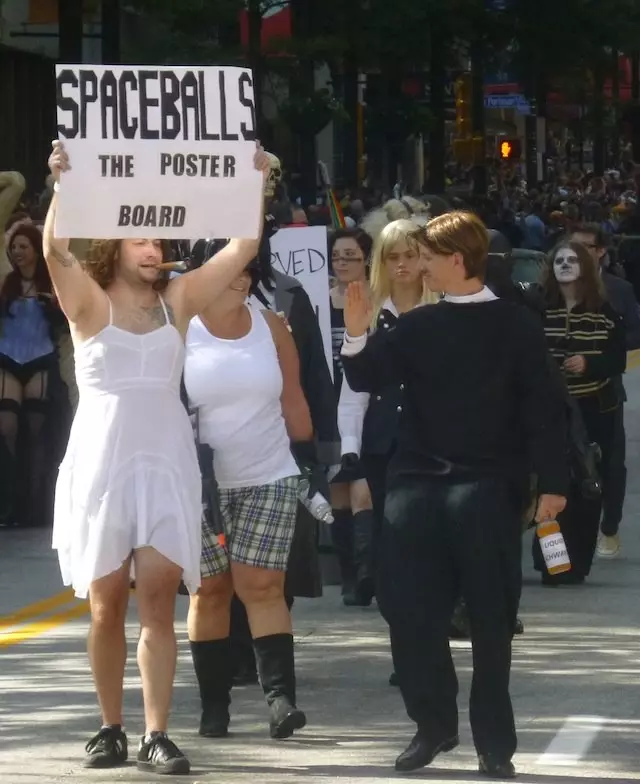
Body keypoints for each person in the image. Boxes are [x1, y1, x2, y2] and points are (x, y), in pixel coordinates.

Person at [43, 139, 270, 775]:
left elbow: (242, 249)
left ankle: (157, 733)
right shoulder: (88, 301)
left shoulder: (179, 302)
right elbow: (54, 251)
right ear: (113, 245)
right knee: (107, 601)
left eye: (158, 241)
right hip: (103, 463)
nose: (153, 250)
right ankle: (110, 726)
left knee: (161, 603)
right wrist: (60, 184)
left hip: (165, 462)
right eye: (139, 240)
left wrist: (253, 183)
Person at [341, 211, 568, 777]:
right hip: (415, 485)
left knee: (491, 621)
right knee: (409, 612)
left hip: (486, 486)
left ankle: (495, 743)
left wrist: (554, 486)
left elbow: (544, 411)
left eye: (426, 256)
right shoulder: (418, 326)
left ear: (457, 261)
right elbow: (369, 376)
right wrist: (355, 330)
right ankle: (433, 724)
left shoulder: (517, 326)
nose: (417, 266)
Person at [184, 259, 313, 740]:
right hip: (198, 484)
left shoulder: (272, 326)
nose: (240, 280)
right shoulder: (179, 327)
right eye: (228, 270)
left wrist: (312, 457)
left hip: (269, 473)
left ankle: (281, 700)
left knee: (262, 587)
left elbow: (294, 400)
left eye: (247, 271)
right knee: (210, 591)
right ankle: (214, 708)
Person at [540, 241, 626, 582]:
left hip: (593, 411)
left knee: (588, 486)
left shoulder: (604, 311)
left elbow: (617, 359)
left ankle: (577, 564)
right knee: (551, 486)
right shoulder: (540, 309)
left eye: (572, 260)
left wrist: (588, 363)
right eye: (559, 259)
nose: (564, 265)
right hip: (550, 410)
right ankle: (552, 563)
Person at [569, 223, 640, 558]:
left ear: (600, 252)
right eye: (573, 246)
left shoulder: (619, 290)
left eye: (586, 247)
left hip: (605, 392)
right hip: (563, 394)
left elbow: (634, 335)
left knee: (611, 464)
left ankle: (609, 528)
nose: (578, 255)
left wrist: (599, 353)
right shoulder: (552, 288)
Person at [0, 224, 61, 526]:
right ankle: (13, 499)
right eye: (14, 247)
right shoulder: (6, 284)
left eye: (23, 246)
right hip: (8, 359)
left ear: (36, 249)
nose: (17, 252)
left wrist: (54, 305)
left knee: (37, 436)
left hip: (40, 359)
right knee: (7, 427)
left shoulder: (51, 283)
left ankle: (37, 505)